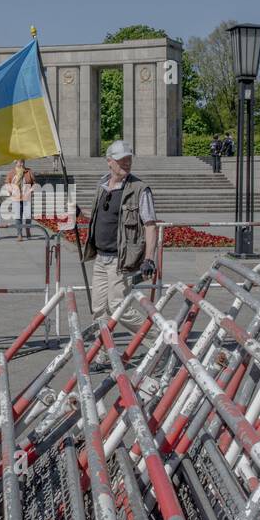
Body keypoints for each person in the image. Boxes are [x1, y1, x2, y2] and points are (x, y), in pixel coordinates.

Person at [80, 140, 159, 368]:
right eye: (122, 159)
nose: (127, 163)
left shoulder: (139, 189)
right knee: (99, 310)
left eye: (129, 159)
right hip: (101, 258)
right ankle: (105, 353)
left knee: (118, 307)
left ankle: (158, 341)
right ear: (109, 162)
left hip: (120, 259)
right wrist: (78, 212)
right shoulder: (102, 186)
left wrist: (149, 258)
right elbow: (97, 216)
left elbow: (150, 225)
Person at [8, 159, 36, 241]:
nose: (22, 164)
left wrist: (31, 190)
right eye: (20, 162)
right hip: (16, 197)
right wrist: (10, 191)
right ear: (16, 163)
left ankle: (27, 230)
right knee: (18, 217)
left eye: (23, 162)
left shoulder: (28, 171)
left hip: (26, 197)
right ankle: (19, 234)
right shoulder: (12, 172)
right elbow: (8, 183)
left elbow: (34, 183)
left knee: (28, 216)